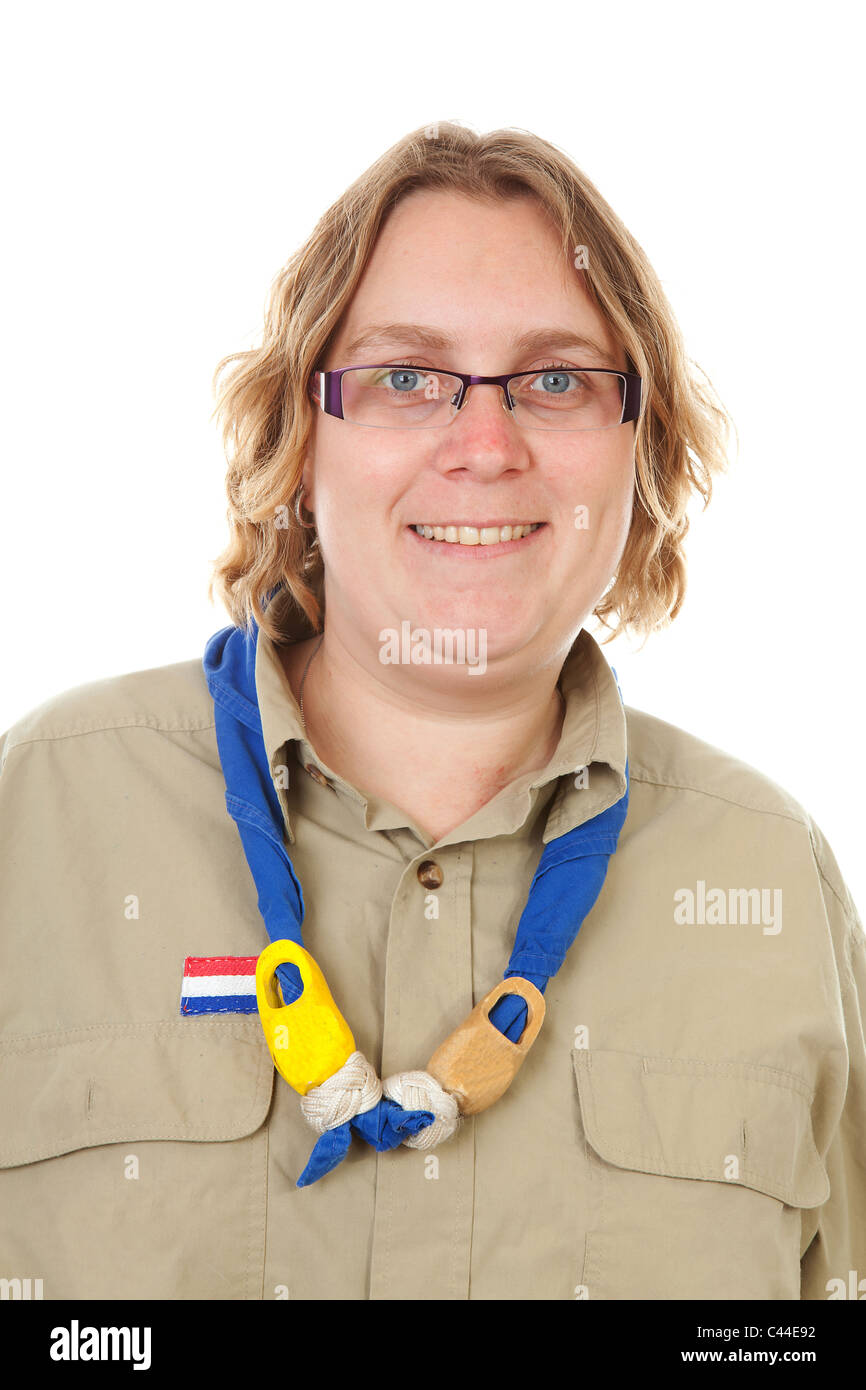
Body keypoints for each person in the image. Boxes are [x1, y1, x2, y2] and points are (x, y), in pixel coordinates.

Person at [0, 121, 863, 1302]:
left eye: (555, 379)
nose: (484, 445)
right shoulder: (36, 816)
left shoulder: (772, 875)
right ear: (302, 438)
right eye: (407, 376)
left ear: (637, 451)